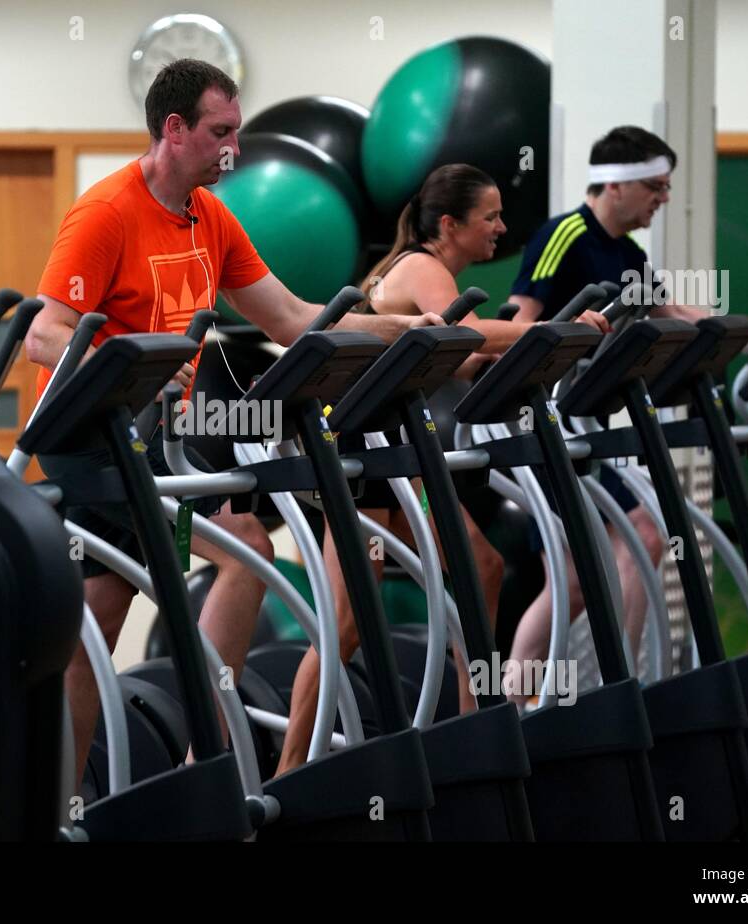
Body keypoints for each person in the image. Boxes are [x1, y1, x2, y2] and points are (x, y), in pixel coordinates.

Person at [24, 58, 449, 786]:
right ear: (175, 128)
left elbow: (289, 318)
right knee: (105, 624)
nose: (236, 151)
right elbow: (44, 332)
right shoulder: (106, 212)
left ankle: (200, 766)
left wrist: (403, 328)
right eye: (222, 133)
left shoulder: (210, 217)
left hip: (156, 442)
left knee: (236, 553)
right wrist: (132, 362)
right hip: (88, 441)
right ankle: (68, 801)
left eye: (238, 133)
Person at [272, 164, 611, 777]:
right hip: (359, 448)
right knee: (349, 619)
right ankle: (291, 769)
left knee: (479, 566)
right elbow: (472, 332)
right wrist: (554, 329)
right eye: (491, 217)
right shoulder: (424, 267)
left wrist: (534, 357)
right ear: (450, 224)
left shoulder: (420, 271)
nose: (502, 228)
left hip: (396, 448)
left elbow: (459, 360)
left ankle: (469, 738)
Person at [504, 125, 748, 696]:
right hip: (538, 424)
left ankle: (538, 702)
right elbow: (518, 321)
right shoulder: (564, 235)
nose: (664, 200)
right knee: (630, 537)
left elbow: (673, 315)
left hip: (578, 425)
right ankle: (609, 686)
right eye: (656, 187)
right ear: (616, 186)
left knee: (574, 580)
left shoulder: (626, 253)